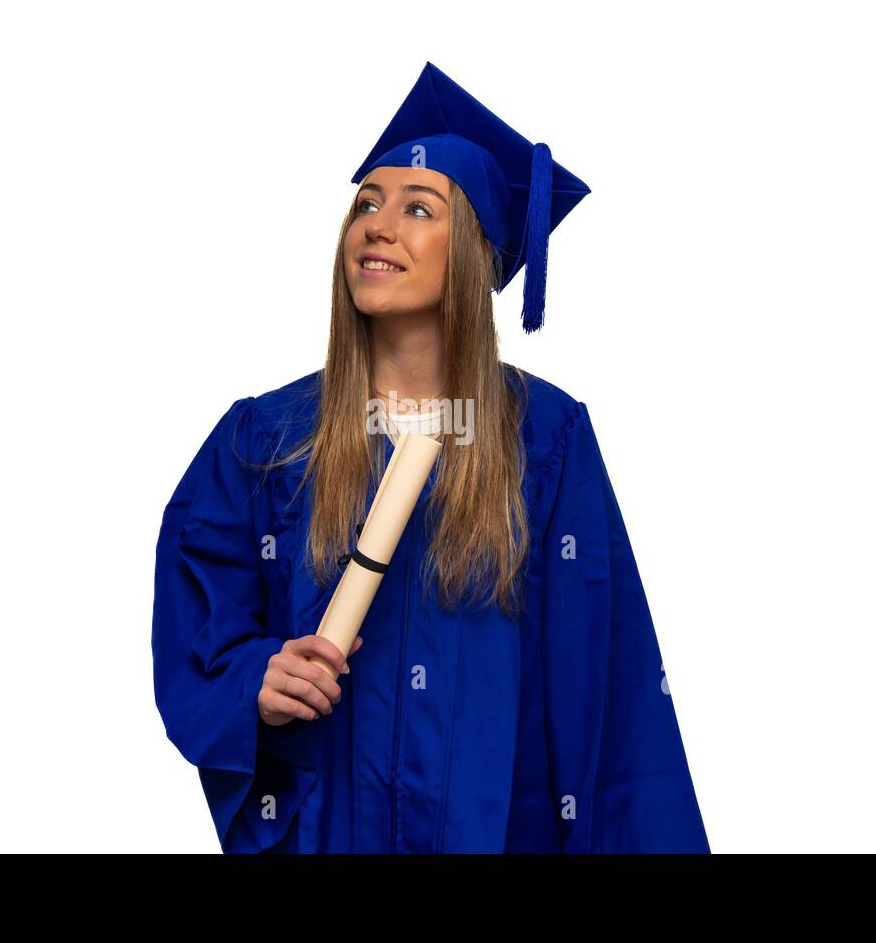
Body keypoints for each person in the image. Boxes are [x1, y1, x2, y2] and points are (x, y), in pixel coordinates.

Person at [151, 62, 711, 853]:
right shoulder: (269, 438)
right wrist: (256, 683)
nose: (379, 225)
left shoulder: (543, 438)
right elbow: (200, 624)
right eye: (366, 206)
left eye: (419, 208)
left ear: (476, 253)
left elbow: (608, 693)